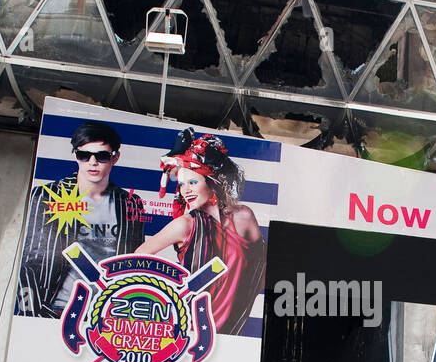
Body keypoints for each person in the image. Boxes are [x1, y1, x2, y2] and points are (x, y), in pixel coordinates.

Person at [137, 130, 265, 336]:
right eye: (181, 184)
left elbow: (262, 269)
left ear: (212, 182)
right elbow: (136, 259)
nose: (185, 190)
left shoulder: (244, 216)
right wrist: (163, 297)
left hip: (232, 334)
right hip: (189, 333)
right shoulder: (185, 225)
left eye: (193, 182)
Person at [18, 120, 145, 317]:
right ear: (74, 155)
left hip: (106, 313)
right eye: (84, 155)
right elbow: (30, 260)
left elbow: (134, 262)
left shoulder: (130, 204)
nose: (92, 162)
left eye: (102, 156)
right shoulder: (48, 196)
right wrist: (33, 312)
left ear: (115, 157)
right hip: (55, 308)